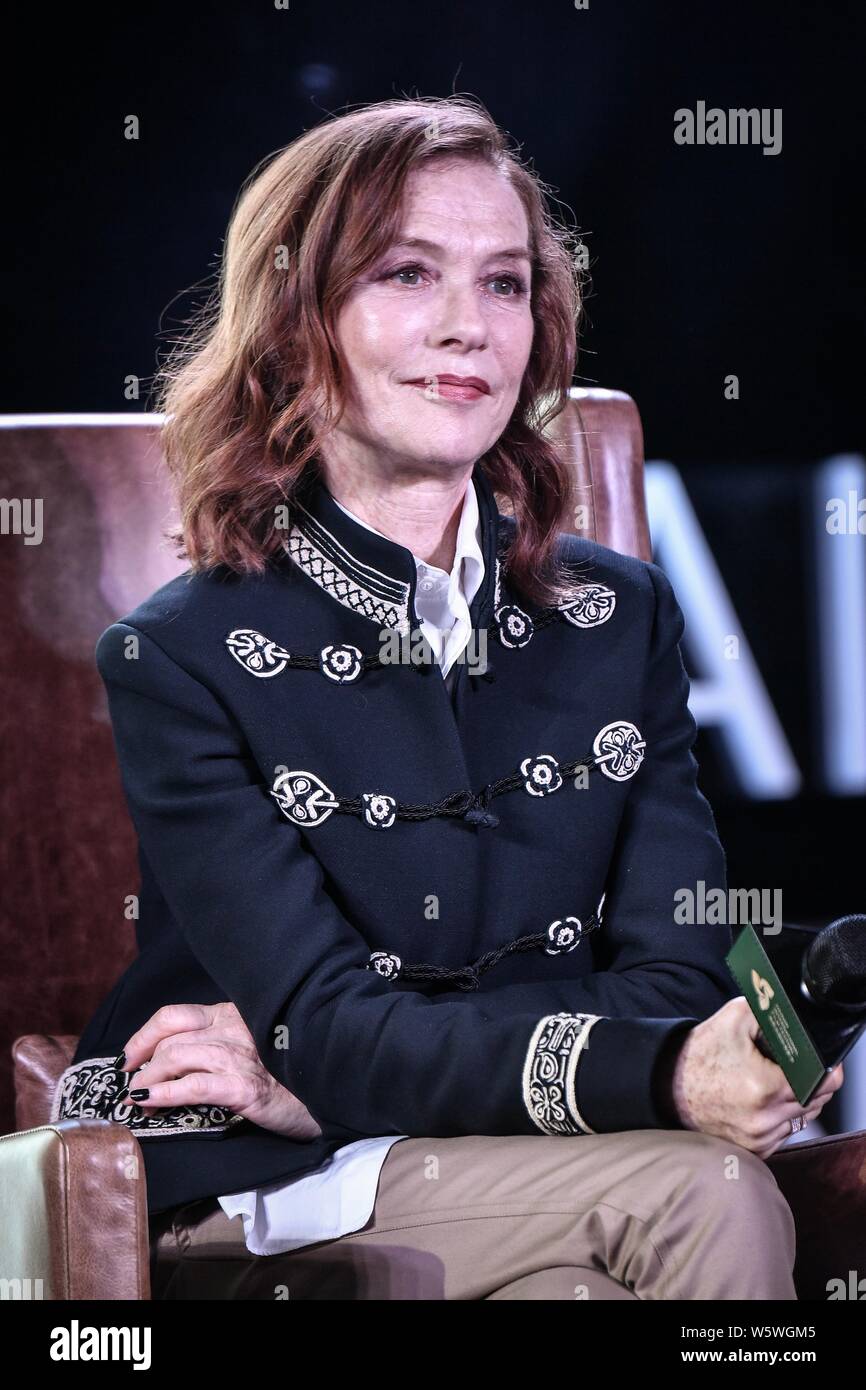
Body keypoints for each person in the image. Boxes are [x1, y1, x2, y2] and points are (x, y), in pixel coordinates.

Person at [59, 96, 843, 1300]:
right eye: (406, 273)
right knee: (707, 1189)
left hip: (537, 1159)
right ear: (294, 324)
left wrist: (330, 1056)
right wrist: (335, 1064)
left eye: (504, 284)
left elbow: (678, 977)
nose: (465, 328)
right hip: (283, 1183)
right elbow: (327, 1021)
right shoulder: (179, 658)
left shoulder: (618, 616)